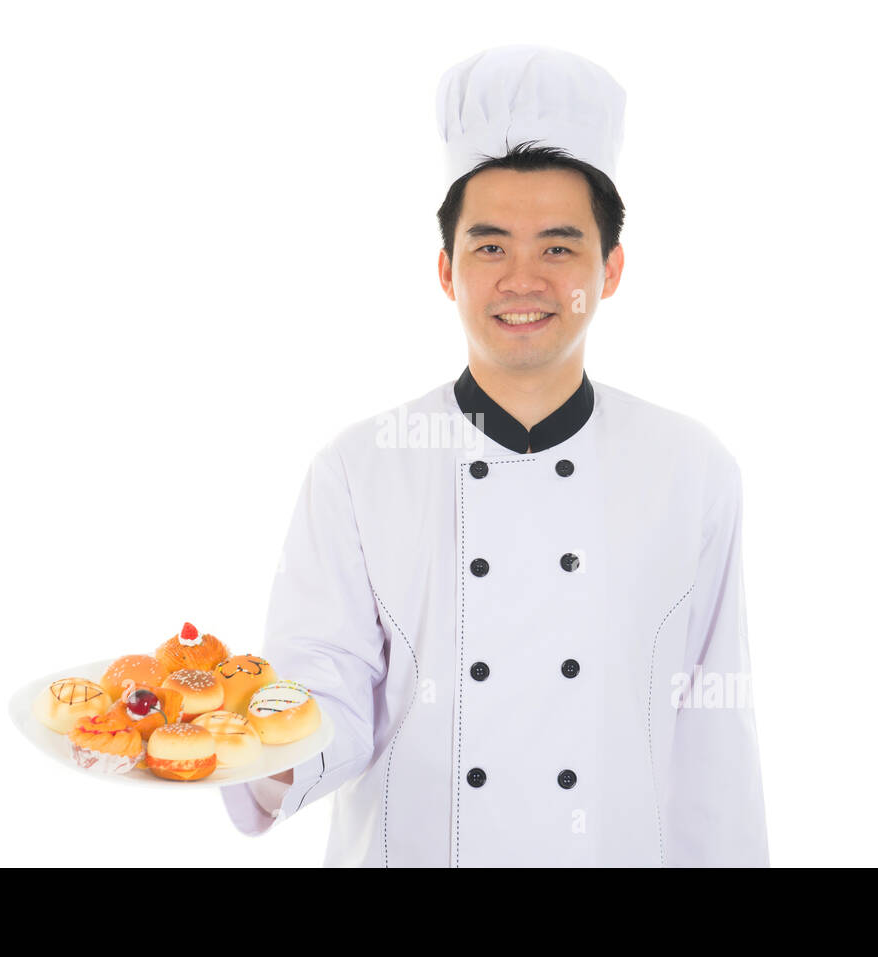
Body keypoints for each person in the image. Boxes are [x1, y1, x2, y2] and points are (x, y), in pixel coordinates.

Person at [219, 44, 770, 867]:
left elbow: (711, 745)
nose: (522, 278)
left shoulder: (693, 470)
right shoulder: (358, 467)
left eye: (557, 246)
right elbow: (322, 681)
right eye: (489, 247)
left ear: (610, 268)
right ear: (446, 270)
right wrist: (246, 746)